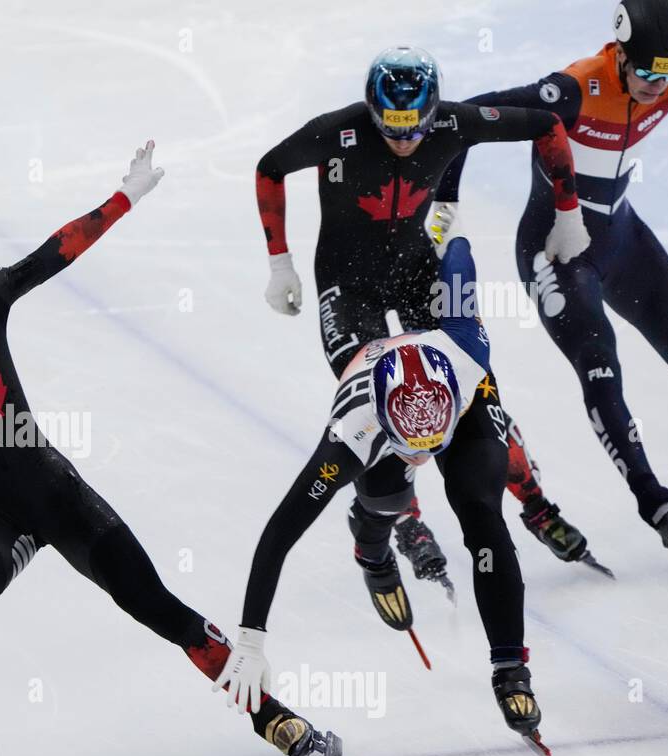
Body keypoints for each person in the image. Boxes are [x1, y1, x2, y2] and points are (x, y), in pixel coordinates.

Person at [0, 143, 341, 756]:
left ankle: (272, 716)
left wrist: (126, 196)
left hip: (56, 496)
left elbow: (53, 253)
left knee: (158, 607)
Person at [255, 46, 605, 607]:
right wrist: (279, 261)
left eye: (415, 129)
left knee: (472, 396)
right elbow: (270, 166)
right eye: (391, 129)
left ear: (433, 112)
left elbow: (546, 125)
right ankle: (400, 516)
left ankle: (534, 501)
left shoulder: (454, 121)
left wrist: (569, 212)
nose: (404, 141)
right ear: (370, 112)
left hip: (421, 270)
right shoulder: (336, 131)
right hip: (349, 291)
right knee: (390, 404)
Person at [227, 238, 549, 756]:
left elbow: (461, 255)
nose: (423, 456)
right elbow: (279, 534)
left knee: (483, 514)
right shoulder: (350, 433)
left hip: (465, 407)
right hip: (384, 399)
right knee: (386, 497)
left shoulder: (468, 350)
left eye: (431, 447)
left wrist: (448, 231)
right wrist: (250, 639)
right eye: (412, 448)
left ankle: (511, 666)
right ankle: (372, 541)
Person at [434, 0, 668, 550]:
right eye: (647, 72)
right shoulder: (574, 89)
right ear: (619, 52)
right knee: (600, 364)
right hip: (557, 252)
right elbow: (466, 115)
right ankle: (655, 499)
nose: (658, 86)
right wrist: (444, 199)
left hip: (624, 242)